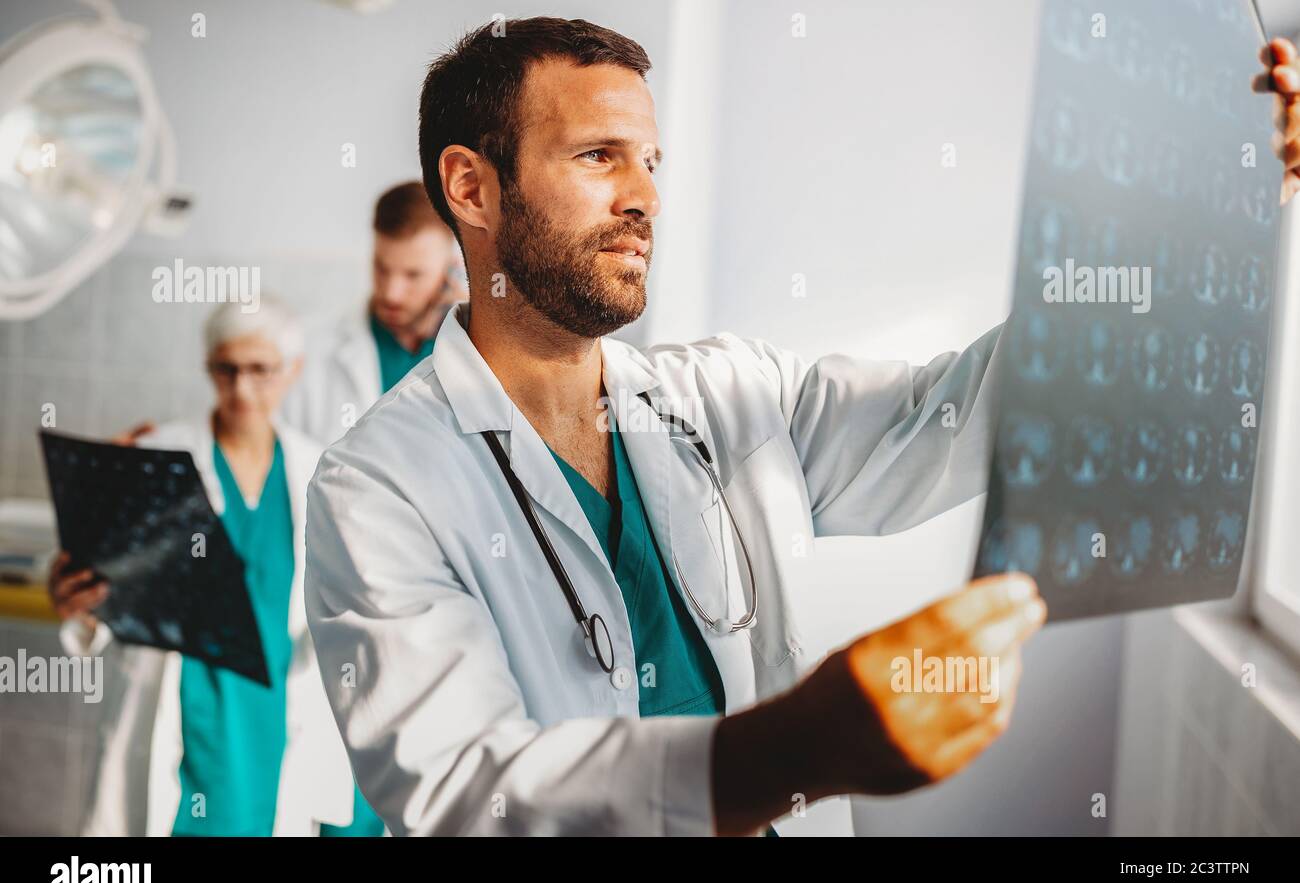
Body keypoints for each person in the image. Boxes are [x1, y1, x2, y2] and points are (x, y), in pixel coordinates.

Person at [302, 19, 1300, 836]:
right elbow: (468, 791)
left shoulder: (726, 395)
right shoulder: (378, 487)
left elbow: (967, 414)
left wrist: (1208, 209)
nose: (643, 195)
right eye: (599, 156)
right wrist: (791, 750)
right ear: (472, 186)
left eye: (650, 160)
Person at [49, 298, 382, 836]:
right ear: (208, 367)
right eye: (227, 369)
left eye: (260, 370)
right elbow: (106, 591)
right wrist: (80, 592)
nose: (243, 389)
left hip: (275, 717)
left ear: (292, 371)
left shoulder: (324, 473)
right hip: (182, 716)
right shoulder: (159, 458)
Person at [280, 181, 467, 446]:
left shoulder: (476, 350)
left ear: (452, 269)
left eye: (413, 275)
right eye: (381, 268)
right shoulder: (309, 348)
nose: (392, 293)